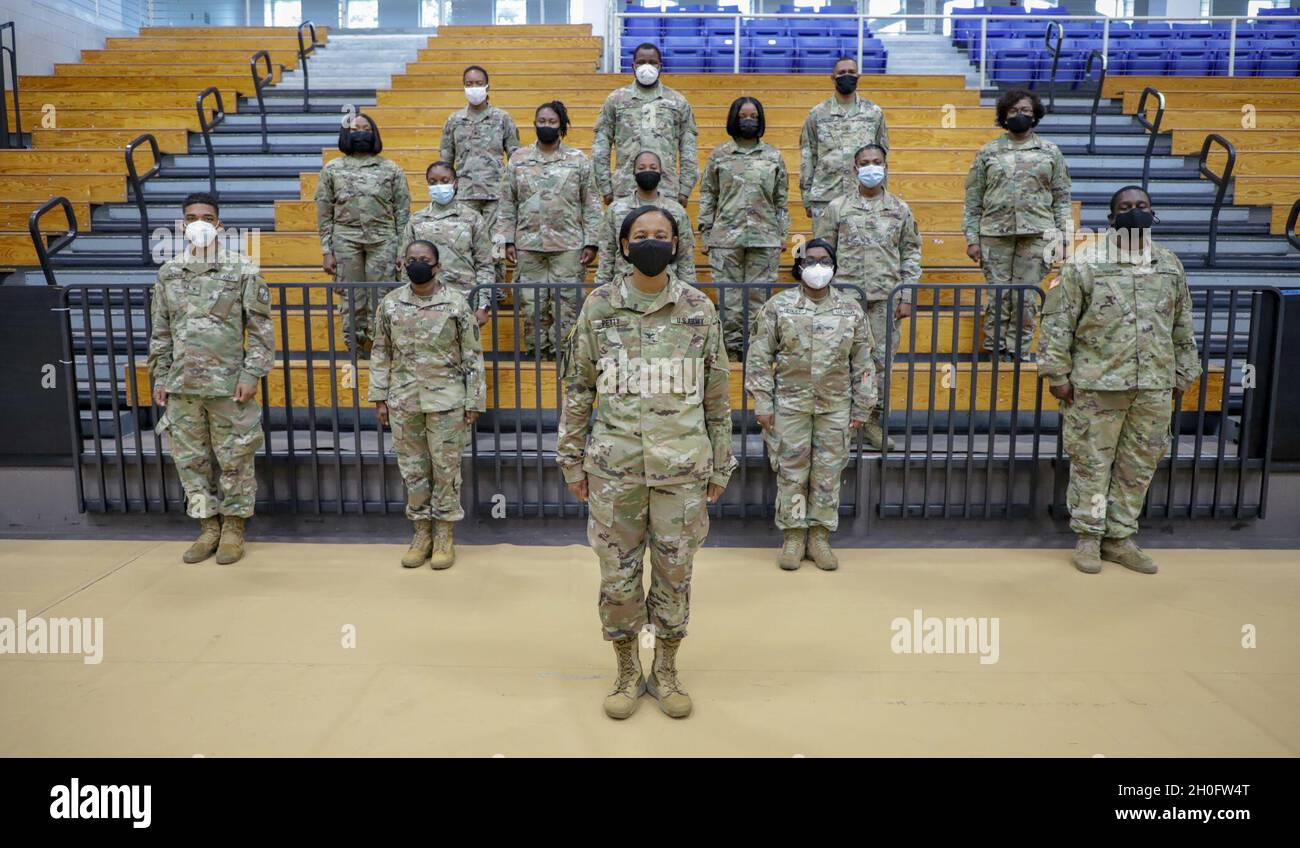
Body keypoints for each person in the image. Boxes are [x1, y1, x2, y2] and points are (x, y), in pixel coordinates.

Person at [557, 206, 736, 721]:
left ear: (677, 244)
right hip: (615, 471)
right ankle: (627, 667)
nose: (652, 241)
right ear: (624, 244)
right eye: (642, 235)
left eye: (661, 235)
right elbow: (579, 389)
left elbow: (717, 396)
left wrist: (721, 464)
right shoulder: (598, 307)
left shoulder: (699, 308)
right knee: (618, 576)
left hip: (683, 470)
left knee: (675, 573)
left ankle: (668, 666)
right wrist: (571, 460)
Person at [1040, 186, 1201, 575]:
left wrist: (1185, 371)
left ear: (1153, 212)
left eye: (1142, 205)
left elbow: (1182, 323)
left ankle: (1120, 539)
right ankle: (1089, 538)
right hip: (1097, 385)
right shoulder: (1086, 262)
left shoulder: (1168, 263)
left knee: (1139, 465)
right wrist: (1057, 374)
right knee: (1092, 464)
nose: (1134, 212)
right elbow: (1059, 322)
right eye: (1125, 207)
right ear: (1112, 217)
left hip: (1154, 384)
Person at [148, 192, 274, 565]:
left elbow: (262, 332)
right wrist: (159, 377)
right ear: (182, 225)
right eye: (191, 217)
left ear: (219, 224)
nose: (199, 222)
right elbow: (161, 333)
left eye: (206, 216)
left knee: (235, 458)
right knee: (191, 462)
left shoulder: (242, 270)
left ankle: (234, 528)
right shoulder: (169, 272)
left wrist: (252, 373)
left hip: (228, 386)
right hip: (182, 386)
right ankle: (207, 527)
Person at [746, 240, 874, 571]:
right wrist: (762, 401)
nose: (818, 266)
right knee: (791, 472)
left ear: (835, 266)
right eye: (811, 260)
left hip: (835, 406)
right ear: (799, 266)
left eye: (825, 260)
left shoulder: (850, 309)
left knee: (828, 474)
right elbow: (759, 357)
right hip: (789, 404)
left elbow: (863, 362)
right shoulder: (778, 307)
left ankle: (819, 537)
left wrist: (862, 407)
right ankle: (793, 536)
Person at [370, 240, 486, 570]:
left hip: (447, 401)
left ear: (437, 266)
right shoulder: (390, 304)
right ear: (402, 264)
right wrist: (380, 398)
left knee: (446, 470)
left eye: (424, 259)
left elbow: (473, 356)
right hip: (404, 400)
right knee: (413, 470)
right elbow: (380, 353)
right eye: (411, 259)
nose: (417, 264)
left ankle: (445, 535)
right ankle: (421, 533)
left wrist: (473, 400)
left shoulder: (456, 304)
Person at [815, 143, 921, 450]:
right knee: (838, 361)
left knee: (879, 364)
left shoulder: (900, 209)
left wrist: (907, 295)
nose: (871, 167)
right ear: (855, 168)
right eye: (865, 162)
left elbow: (911, 253)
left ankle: (872, 425)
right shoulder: (837, 208)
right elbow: (822, 253)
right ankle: (837, 426)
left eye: (877, 162)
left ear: (886, 167)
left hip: (886, 300)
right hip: (844, 300)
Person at [963, 87, 1072, 362]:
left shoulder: (1050, 152)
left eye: (1025, 110)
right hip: (994, 235)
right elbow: (973, 199)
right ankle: (996, 349)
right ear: (1003, 115)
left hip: (1037, 234)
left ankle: (1019, 351)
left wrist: (1064, 236)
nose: (1019, 115)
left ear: (1035, 115)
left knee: (1025, 299)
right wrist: (972, 239)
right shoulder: (988, 152)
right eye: (1013, 111)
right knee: (998, 296)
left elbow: (1061, 197)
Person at [498, 101, 601, 358]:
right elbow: (507, 203)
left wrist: (592, 242)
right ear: (534, 124)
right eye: (541, 121)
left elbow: (590, 203)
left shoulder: (578, 160)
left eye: (552, 122)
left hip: (568, 245)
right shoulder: (518, 159)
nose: (546, 126)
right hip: (527, 244)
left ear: (562, 126)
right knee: (531, 305)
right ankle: (536, 355)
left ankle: (564, 356)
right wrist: (507, 240)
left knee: (567, 304)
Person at [699, 96, 790, 359]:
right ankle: (732, 356)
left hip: (765, 238)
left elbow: (781, 199)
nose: (748, 121)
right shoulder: (720, 155)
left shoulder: (773, 156)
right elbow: (708, 195)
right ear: (733, 119)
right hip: (726, 239)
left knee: (758, 302)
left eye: (753, 117)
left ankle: (756, 354)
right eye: (743, 116)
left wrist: (782, 234)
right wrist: (705, 233)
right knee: (730, 304)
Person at [316, 113, 411, 357]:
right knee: (352, 298)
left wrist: (403, 250)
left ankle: (382, 347)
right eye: (354, 128)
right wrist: (327, 251)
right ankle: (355, 350)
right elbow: (324, 212)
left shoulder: (390, 169)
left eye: (366, 128)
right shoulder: (332, 169)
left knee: (383, 295)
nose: (360, 132)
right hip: (346, 239)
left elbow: (402, 212)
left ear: (374, 133)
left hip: (383, 239)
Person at [438, 65, 520, 285]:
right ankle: (469, 289)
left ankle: (497, 290)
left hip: (496, 195)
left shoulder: (502, 118)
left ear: (487, 86)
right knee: (467, 243)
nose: (473, 88)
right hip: (464, 195)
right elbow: (445, 162)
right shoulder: (454, 121)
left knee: (497, 245)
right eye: (468, 84)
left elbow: (515, 157)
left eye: (477, 83)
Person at [592, 42, 699, 205]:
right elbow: (601, 146)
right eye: (641, 62)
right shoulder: (616, 99)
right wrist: (605, 187)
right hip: (625, 190)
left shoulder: (678, 102)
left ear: (660, 66)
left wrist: (685, 189)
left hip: (666, 191)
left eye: (652, 62)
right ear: (633, 66)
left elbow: (688, 149)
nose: (646, 67)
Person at [397, 160, 493, 325]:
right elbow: (406, 265)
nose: (439, 185)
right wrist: (407, 300)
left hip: (464, 299)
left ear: (455, 183)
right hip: (423, 301)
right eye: (433, 182)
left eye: (445, 181)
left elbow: (485, 264)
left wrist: (483, 305)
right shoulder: (416, 220)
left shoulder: (472, 218)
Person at [799, 56, 889, 225]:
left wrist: (882, 193)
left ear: (858, 77)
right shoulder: (817, 114)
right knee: (825, 249)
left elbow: (882, 156)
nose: (846, 75)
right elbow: (807, 156)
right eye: (841, 72)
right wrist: (806, 197)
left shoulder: (874, 113)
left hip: (864, 196)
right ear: (833, 78)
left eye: (851, 72)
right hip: (825, 196)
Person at [594, 150, 695, 288]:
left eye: (653, 168)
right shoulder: (616, 209)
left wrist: (689, 293)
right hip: (624, 287)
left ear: (661, 172)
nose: (648, 171)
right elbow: (607, 254)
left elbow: (685, 257)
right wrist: (601, 289)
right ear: (634, 172)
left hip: (667, 288)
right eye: (641, 168)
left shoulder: (677, 211)